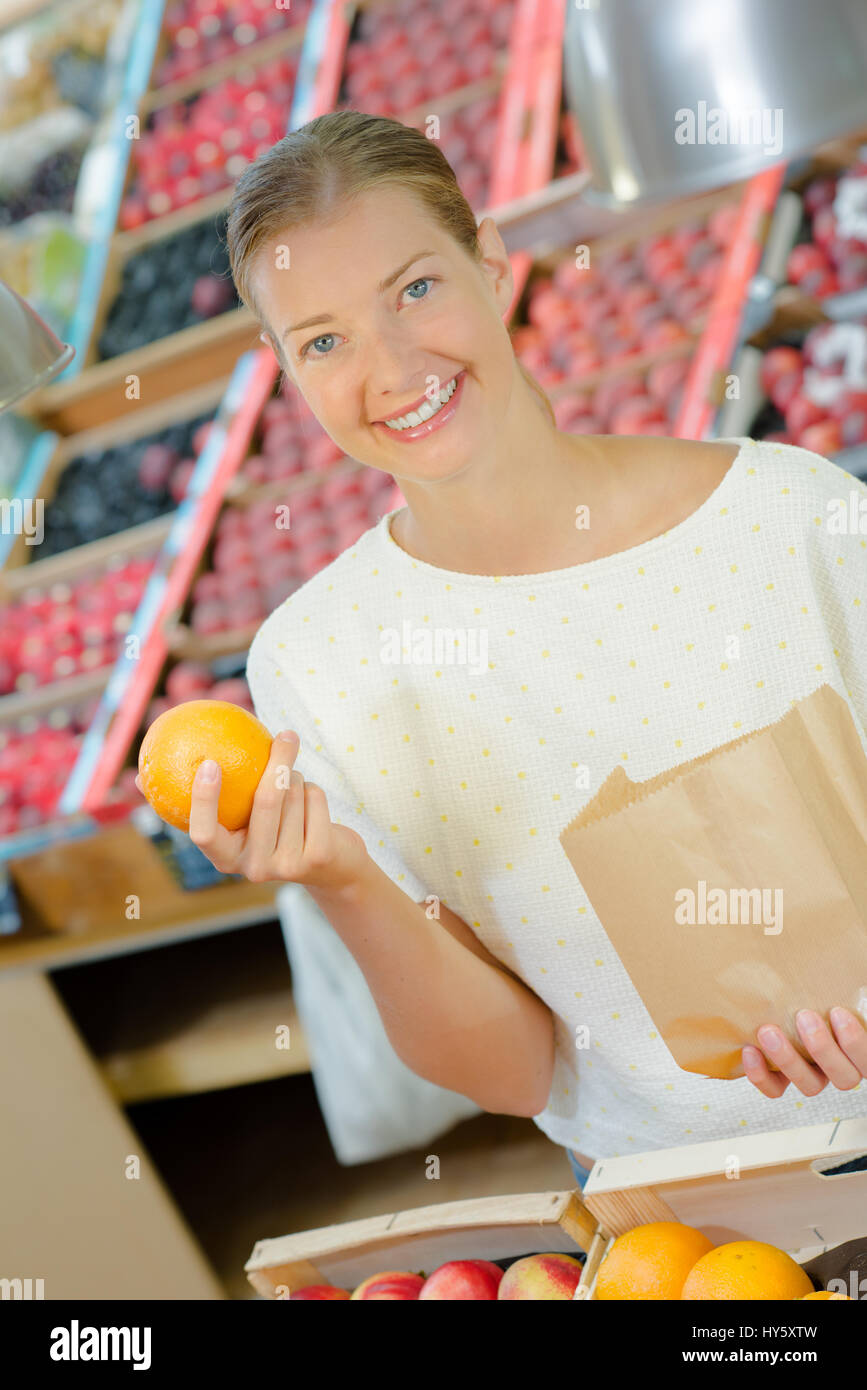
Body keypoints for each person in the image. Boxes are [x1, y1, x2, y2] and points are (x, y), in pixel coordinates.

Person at [171, 110, 867, 1184]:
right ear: (283, 370)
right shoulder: (319, 663)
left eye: (414, 289)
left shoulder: (790, 515)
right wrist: (340, 879)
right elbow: (519, 1071)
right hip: (672, 1224)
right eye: (323, 339)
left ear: (491, 265)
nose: (394, 365)